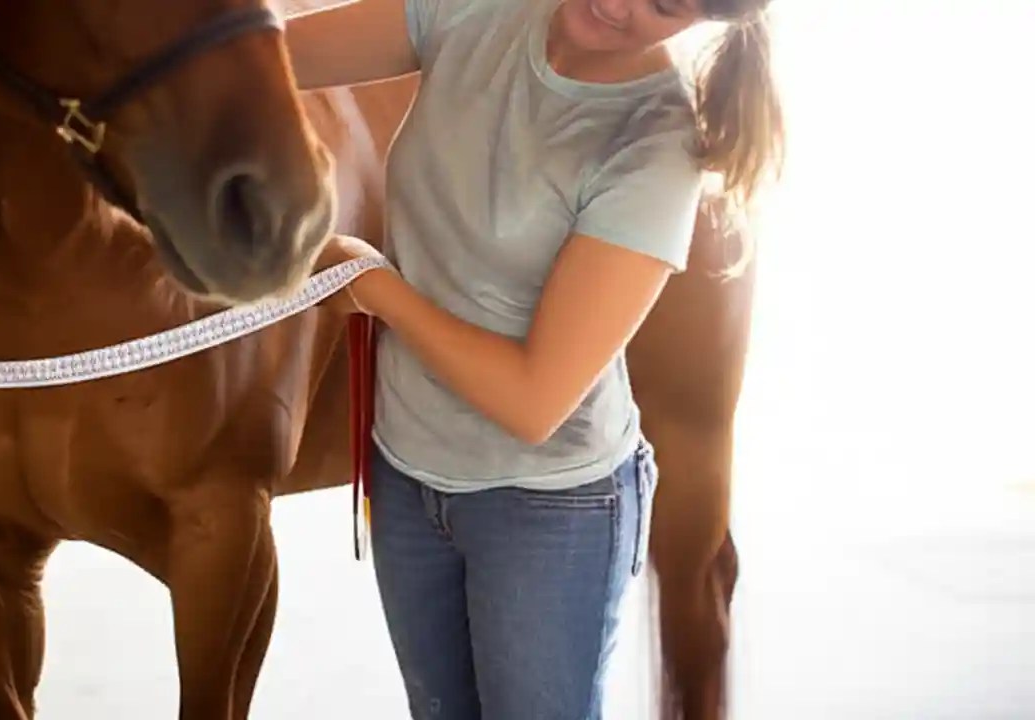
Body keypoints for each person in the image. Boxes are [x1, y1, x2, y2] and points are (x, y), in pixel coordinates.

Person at [288, 0, 784, 716]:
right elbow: (261, 56)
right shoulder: (477, 10)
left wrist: (374, 288)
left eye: (662, 5)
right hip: (406, 473)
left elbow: (534, 402)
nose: (615, 3)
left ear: (702, 22)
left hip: (547, 509)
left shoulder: (654, 149)